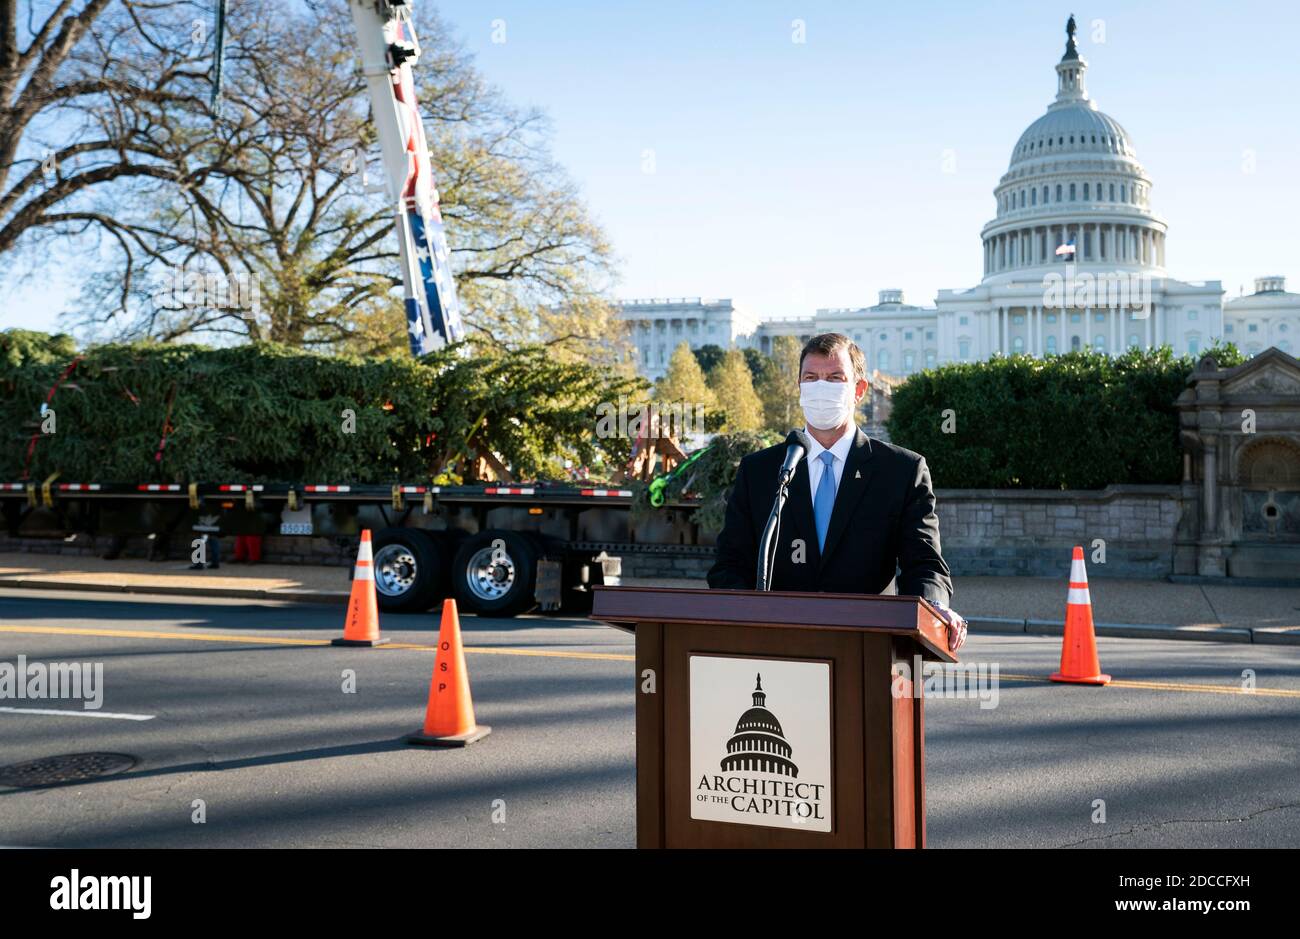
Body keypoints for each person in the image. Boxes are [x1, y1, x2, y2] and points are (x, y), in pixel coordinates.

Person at [707, 332, 968, 652]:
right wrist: (743, 616)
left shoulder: (901, 471)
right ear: (799, 388)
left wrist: (933, 608)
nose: (821, 388)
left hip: (869, 652)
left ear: (858, 390)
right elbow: (729, 565)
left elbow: (925, 564)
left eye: (834, 378)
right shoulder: (760, 470)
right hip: (778, 653)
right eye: (811, 378)